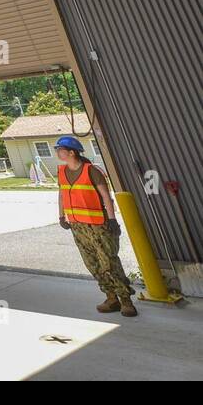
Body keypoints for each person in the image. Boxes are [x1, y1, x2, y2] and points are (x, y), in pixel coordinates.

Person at [55, 135, 137, 317]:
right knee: (92, 263)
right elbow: (61, 195)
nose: (57, 152)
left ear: (71, 152)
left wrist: (112, 219)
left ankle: (125, 300)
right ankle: (111, 298)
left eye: (60, 149)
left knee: (109, 262)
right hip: (77, 226)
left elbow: (106, 196)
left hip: (99, 226)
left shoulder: (91, 171)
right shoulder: (61, 171)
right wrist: (61, 216)